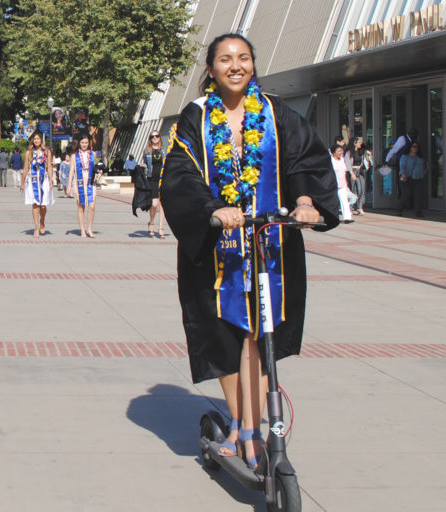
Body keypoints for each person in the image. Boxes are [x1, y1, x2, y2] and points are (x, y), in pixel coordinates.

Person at [160, 33, 339, 469]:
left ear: (253, 65)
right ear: (211, 69)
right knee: (224, 337)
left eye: (243, 58)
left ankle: (253, 430)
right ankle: (240, 425)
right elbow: (179, 172)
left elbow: (306, 162)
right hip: (217, 249)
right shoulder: (195, 117)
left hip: (271, 243)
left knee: (262, 336)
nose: (235, 65)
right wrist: (212, 208)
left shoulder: (278, 114)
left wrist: (305, 201)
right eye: (225, 59)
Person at [132, 130, 167, 238]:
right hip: (152, 180)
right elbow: (146, 165)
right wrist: (143, 166)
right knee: (154, 204)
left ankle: (161, 228)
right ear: (150, 139)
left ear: (160, 137)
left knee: (163, 205)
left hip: (163, 179)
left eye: (157, 136)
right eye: (152, 136)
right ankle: (151, 222)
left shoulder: (164, 151)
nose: (155, 138)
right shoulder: (147, 151)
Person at [20, 131, 54, 238]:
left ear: (41, 140)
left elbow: (49, 166)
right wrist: (22, 182)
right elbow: (26, 167)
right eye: (34, 139)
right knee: (35, 204)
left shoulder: (47, 152)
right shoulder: (29, 152)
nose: (36, 141)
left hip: (44, 179)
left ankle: (42, 221)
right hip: (33, 179)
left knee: (43, 205)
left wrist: (51, 180)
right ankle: (36, 227)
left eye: (38, 139)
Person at [68, 134, 99, 238]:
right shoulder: (74, 155)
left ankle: (89, 228)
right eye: (82, 143)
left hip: (90, 180)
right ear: (79, 143)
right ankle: (82, 229)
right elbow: (72, 171)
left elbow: (96, 168)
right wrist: (69, 186)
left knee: (92, 206)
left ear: (89, 143)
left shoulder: (93, 154)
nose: (84, 145)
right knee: (81, 207)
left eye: (86, 143)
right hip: (79, 181)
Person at [399, 142, 427, 217]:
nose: (415, 148)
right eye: (413, 146)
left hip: (419, 178)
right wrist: (403, 173)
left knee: (418, 196)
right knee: (406, 195)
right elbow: (402, 166)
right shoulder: (405, 156)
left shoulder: (420, 157)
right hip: (408, 178)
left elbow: (423, 165)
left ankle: (418, 212)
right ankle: (399, 209)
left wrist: (424, 171)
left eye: (417, 147)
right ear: (410, 148)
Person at [331, 144, 354, 222]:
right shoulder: (330, 161)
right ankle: (331, 217)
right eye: (339, 151)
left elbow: (344, 172)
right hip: (333, 184)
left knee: (344, 200)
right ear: (333, 153)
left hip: (342, 184)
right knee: (333, 201)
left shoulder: (342, 159)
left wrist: (346, 183)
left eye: (341, 150)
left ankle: (347, 217)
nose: (341, 152)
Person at [344, 138, 367, 215]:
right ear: (354, 143)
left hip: (360, 171)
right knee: (353, 189)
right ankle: (350, 207)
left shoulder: (361, 152)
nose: (360, 144)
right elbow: (347, 163)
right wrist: (351, 173)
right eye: (359, 142)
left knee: (361, 190)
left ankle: (359, 207)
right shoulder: (349, 153)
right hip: (352, 171)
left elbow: (363, 161)